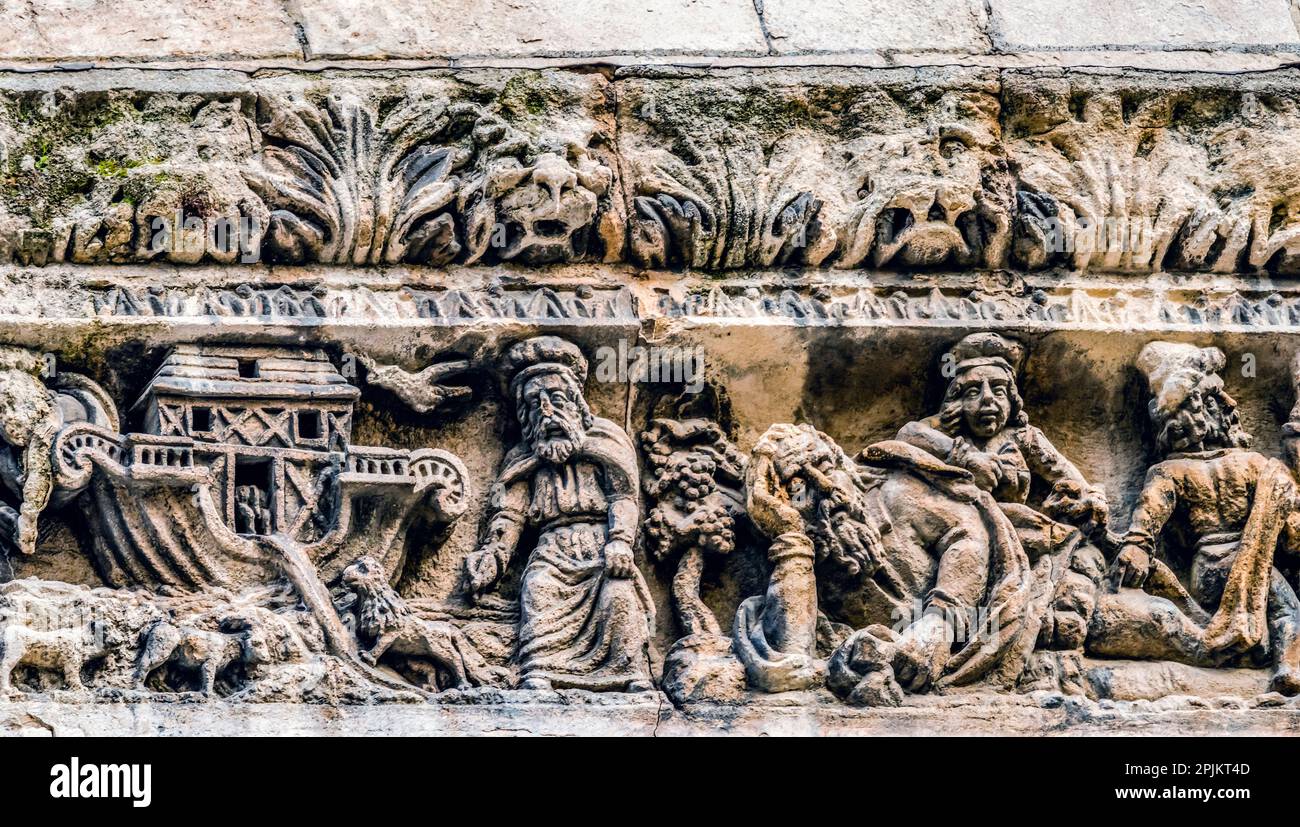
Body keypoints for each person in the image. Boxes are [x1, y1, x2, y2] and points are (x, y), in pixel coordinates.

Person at [463, 337, 655, 691]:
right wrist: (494, 555)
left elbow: (624, 497)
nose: (546, 411)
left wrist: (620, 543)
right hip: (552, 550)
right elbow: (509, 514)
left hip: (601, 545)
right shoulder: (523, 457)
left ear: (576, 402)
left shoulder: (606, 439)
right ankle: (539, 673)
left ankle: (629, 676)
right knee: (539, 589)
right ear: (524, 414)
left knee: (619, 596)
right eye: (535, 403)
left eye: (555, 398)